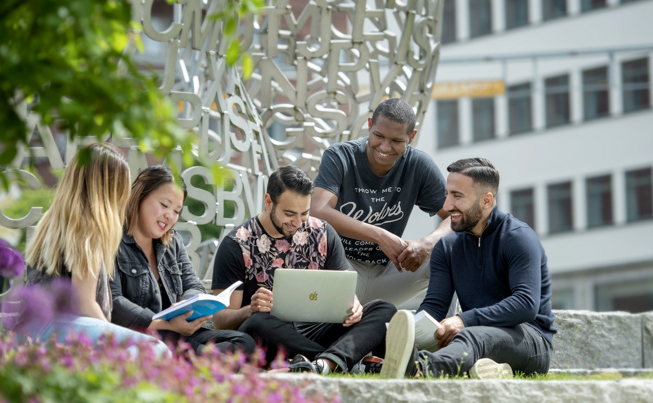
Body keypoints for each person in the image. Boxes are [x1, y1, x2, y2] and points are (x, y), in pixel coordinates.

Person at [380, 158, 556, 379]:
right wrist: (413, 334)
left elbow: (526, 304)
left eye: (457, 196)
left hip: (531, 340)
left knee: (472, 337)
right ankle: (491, 370)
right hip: (476, 335)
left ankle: (420, 369)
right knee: (461, 335)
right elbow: (435, 306)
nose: (446, 206)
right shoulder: (447, 247)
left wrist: (464, 320)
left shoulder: (518, 237)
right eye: (447, 194)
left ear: (486, 200)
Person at [211, 165, 395, 374]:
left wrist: (354, 306)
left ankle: (321, 365)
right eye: (289, 214)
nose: (297, 223)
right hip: (273, 332)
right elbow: (219, 322)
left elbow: (344, 292)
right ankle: (345, 361)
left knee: (383, 309)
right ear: (268, 201)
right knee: (256, 324)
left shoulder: (323, 232)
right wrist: (249, 310)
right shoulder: (237, 244)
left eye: (304, 214)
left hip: (320, 328)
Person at [22, 142, 170, 357]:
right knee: (157, 350)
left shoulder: (53, 220)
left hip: (33, 331)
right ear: (109, 188)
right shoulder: (88, 227)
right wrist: (111, 335)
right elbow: (84, 302)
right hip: (60, 331)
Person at [311, 98, 452, 307]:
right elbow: (318, 211)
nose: (385, 147)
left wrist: (427, 243)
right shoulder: (340, 156)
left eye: (396, 141)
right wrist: (379, 235)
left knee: (455, 250)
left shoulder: (418, 165)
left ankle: (444, 330)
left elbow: (457, 216)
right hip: (341, 270)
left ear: (411, 137)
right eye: (378, 136)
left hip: (390, 275)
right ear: (370, 125)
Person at [109, 166, 256, 356]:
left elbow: (194, 284)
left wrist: (183, 309)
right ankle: (205, 362)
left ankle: (200, 361)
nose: (170, 216)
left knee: (245, 341)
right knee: (210, 351)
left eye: (177, 210)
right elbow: (114, 301)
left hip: (181, 330)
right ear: (140, 196)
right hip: (144, 331)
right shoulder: (113, 239)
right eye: (164, 205)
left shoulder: (173, 241)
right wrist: (164, 323)